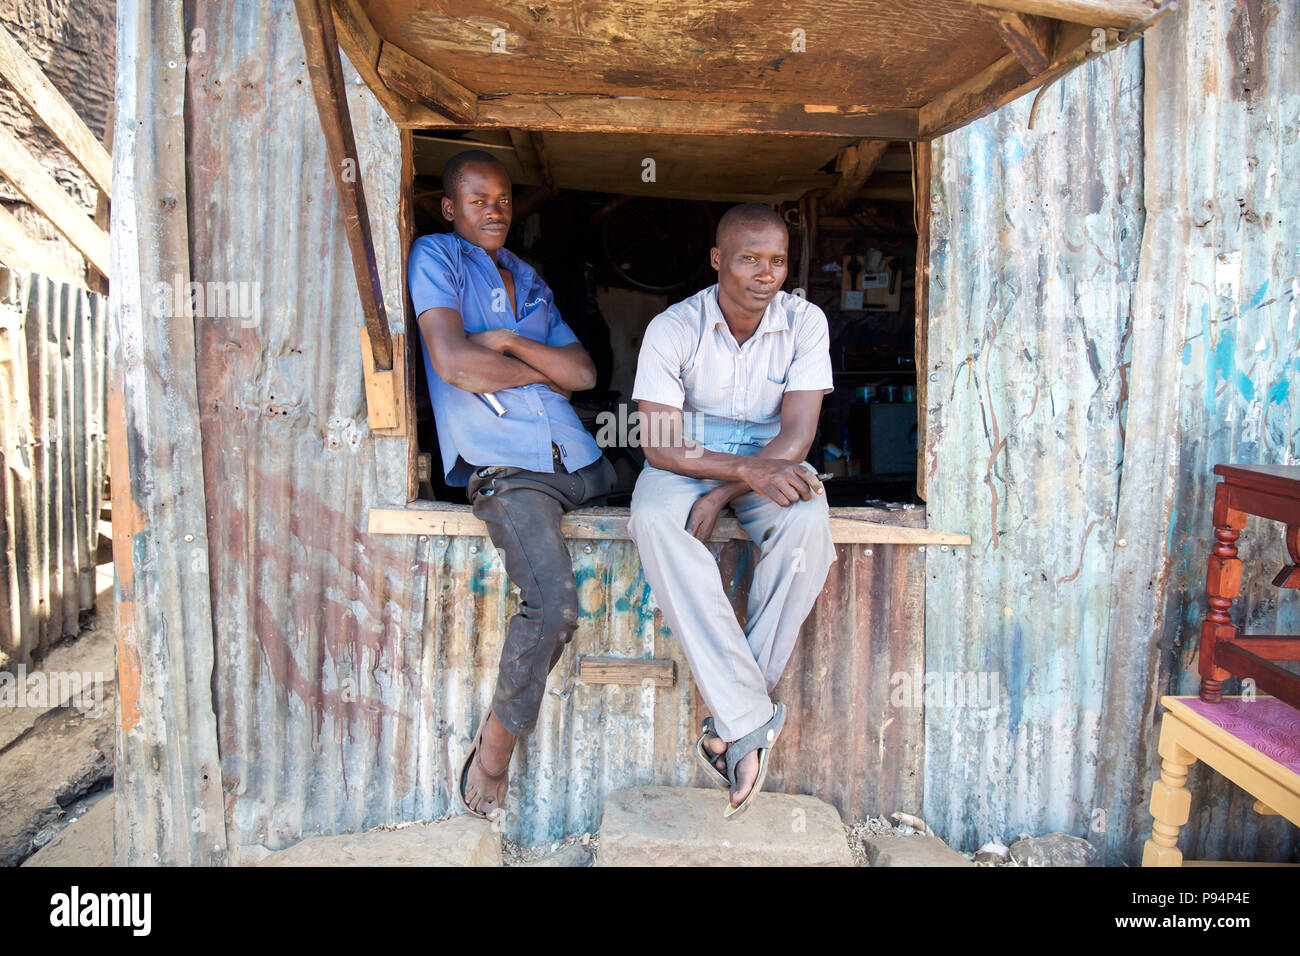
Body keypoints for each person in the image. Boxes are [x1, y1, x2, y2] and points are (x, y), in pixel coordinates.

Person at [408, 150, 615, 821]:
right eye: (477, 199)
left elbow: (583, 374)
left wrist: (513, 346)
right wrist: (536, 369)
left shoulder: (528, 278)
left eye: (502, 199)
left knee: (669, 487)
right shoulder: (436, 257)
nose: (493, 211)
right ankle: (493, 752)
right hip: (508, 468)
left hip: (576, 460)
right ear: (449, 207)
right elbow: (454, 361)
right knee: (552, 606)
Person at [626, 203, 836, 818]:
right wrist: (729, 472)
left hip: (769, 458)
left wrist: (729, 490)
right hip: (687, 460)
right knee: (655, 520)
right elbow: (660, 444)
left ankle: (733, 722)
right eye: (748, 258)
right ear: (718, 260)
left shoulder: (805, 322)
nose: (764, 273)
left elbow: (796, 434)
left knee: (807, 525)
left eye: (776, 260)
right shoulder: (673, 327)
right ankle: (747, 720)